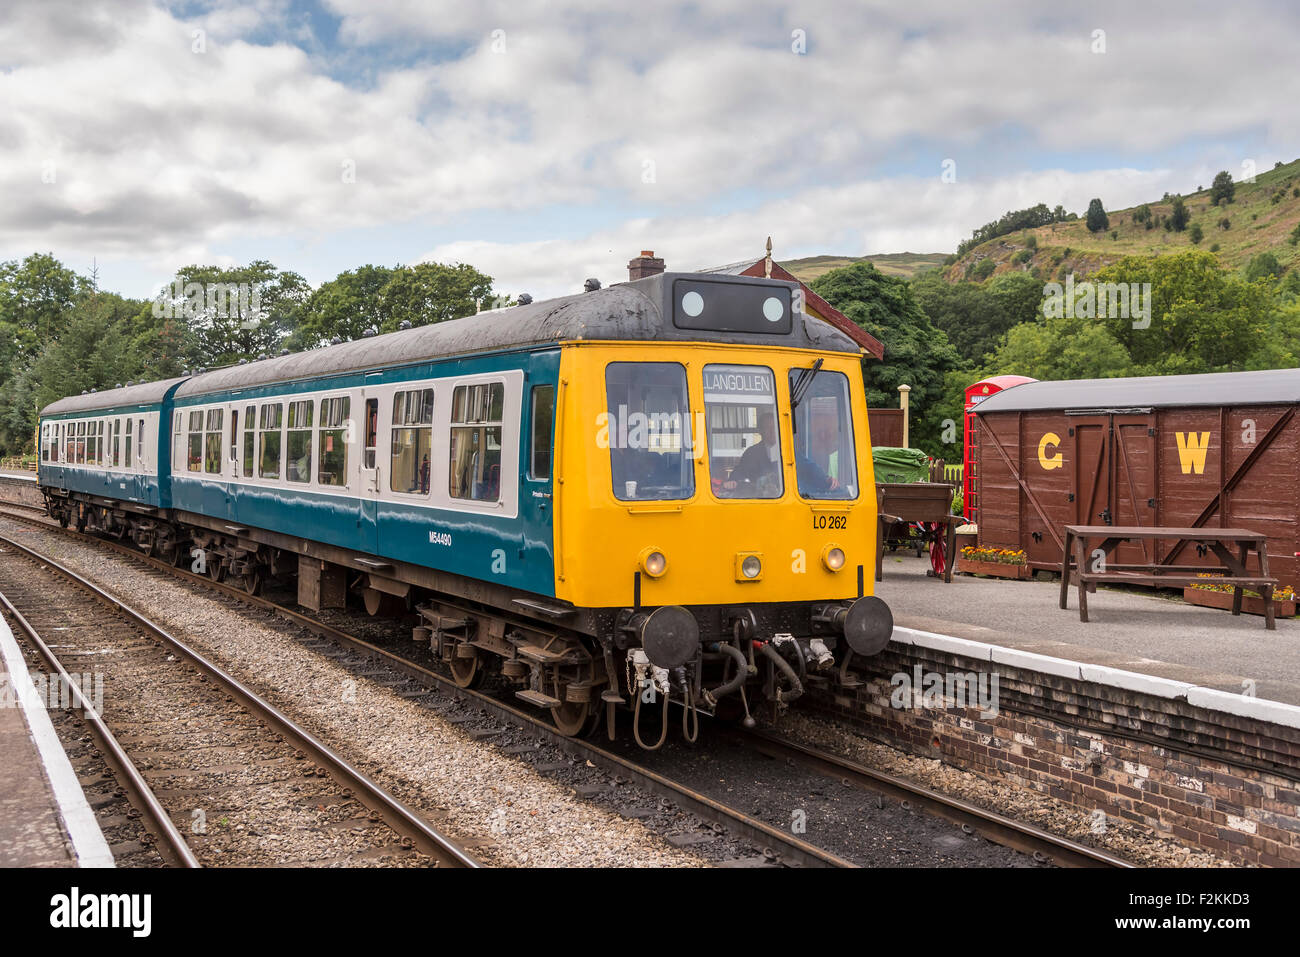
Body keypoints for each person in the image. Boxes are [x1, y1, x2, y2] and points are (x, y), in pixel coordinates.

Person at [723, 409, 781, 495]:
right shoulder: (752, 453)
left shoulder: (788, 451)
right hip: (758, 499)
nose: (772, 431)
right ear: (760, 431)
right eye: (768, 427)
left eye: (774, 427)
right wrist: (733, 481)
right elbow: (740, 471)